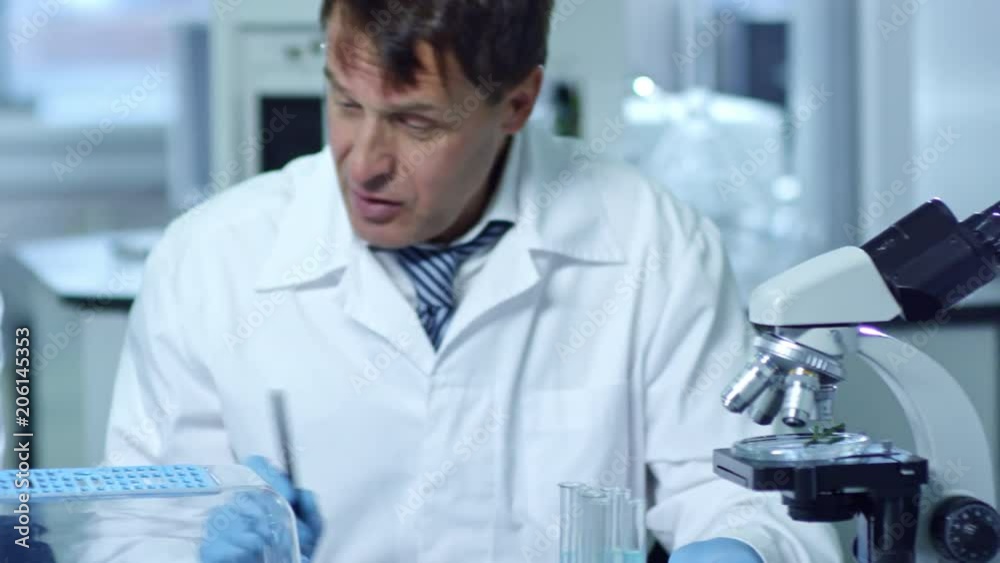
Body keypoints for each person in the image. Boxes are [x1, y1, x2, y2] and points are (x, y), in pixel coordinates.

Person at [103, 1, 843, 562]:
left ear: (518, 102)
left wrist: (743, 546)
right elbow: (128, 529)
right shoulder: (209, 259)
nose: (363, 162)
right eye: (344, 103)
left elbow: (741, 492)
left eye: (416, 123)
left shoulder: (652, 242)